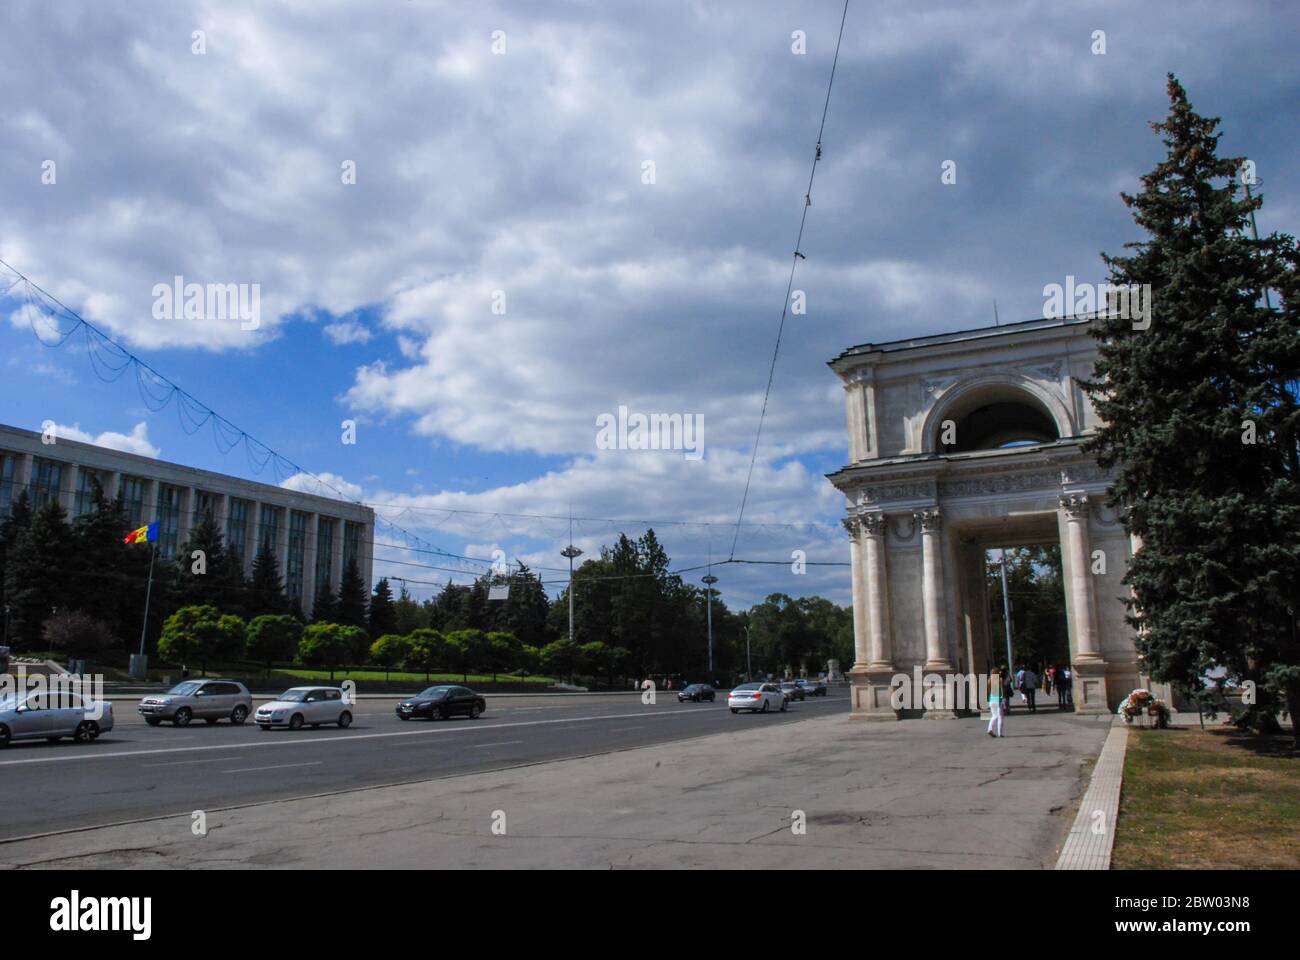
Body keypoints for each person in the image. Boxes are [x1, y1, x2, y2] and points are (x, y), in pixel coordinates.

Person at [987, 665, 1006, 737]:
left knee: (994, 716)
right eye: (999, 671)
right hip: (998, 699)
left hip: (991, 699)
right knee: (1000, 716)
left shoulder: (989, 680)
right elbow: (1002, 690)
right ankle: (1000, 733)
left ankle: (989, 729)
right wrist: (1003, 699)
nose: (1000, 672)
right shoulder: (1000, 679)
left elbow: (989, 690)